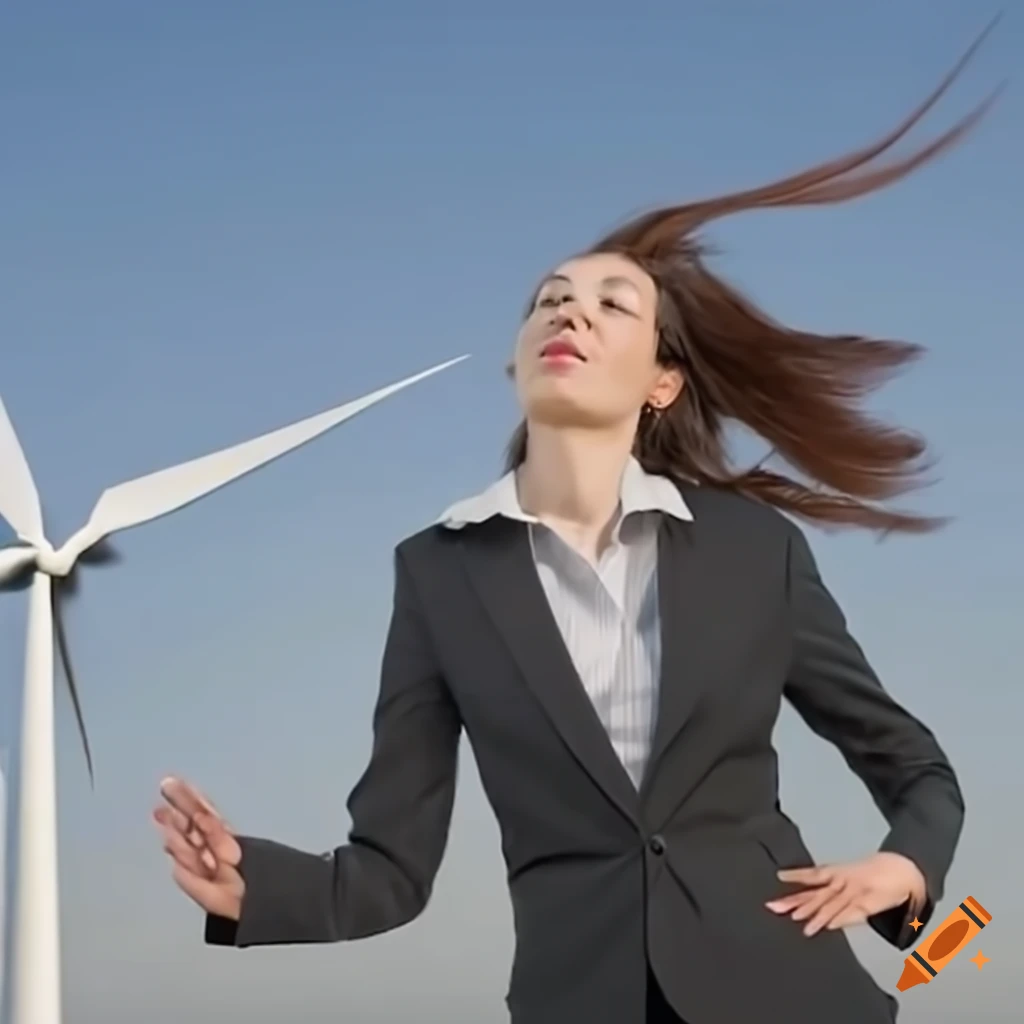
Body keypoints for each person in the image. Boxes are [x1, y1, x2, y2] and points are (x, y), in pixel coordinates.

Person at [153, 31, 997, 1024]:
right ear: (516, 362)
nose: (571, 313)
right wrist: (255, 889)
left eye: (612, 304)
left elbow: (911, 763)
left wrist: (905, 866)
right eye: (550, 300)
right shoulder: (437, 573)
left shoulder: (752, 549)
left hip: (790, 992)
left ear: (660, 380)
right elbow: (392, 864)